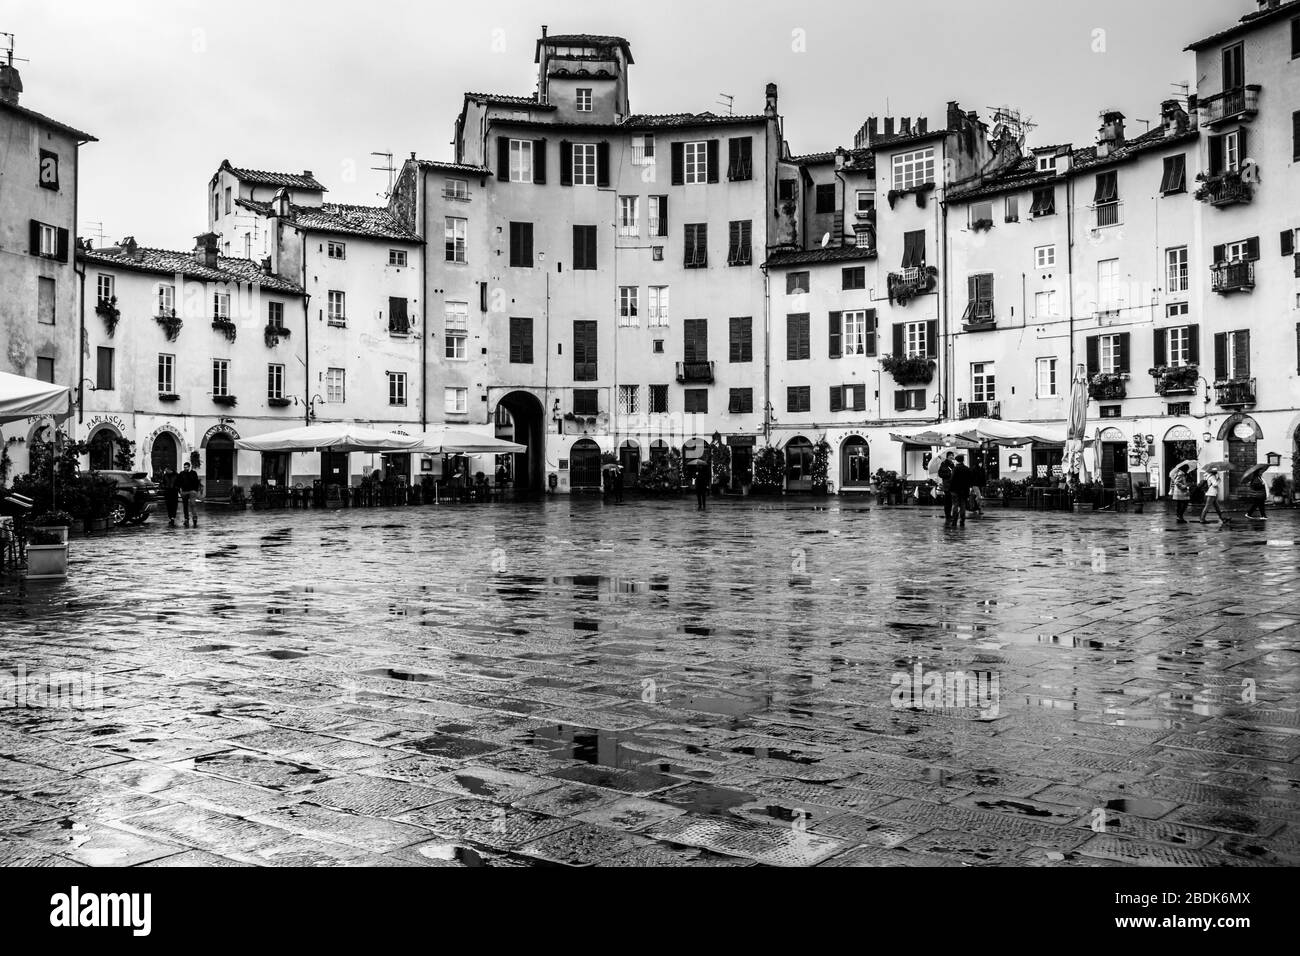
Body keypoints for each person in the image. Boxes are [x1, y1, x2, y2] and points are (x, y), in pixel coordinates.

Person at [175, 462, 202, 526]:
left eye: (186, 467)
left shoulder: (193, 473)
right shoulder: (181, 473)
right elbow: (178, 482)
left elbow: (196, 482)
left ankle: (194, 518)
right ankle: (186, 519)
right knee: (185, 506)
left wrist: (195, 490)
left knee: (193, 504)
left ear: (189, 467)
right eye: (184, 467)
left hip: (192, 491)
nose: (185, 468)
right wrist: (179, 491)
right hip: (184, 492)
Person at [948, 454, 971, 526]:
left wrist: (950, 489)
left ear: (957, 460)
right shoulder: (967, 468)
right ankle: (962, 519)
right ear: (963, 460)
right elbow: (968, 480)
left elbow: (952, 479)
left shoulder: (955, 468)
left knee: (955, 505)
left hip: (955, 490)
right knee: (963, 505)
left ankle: (954, 519)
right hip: (964, 490)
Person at [937, 452, 956, 523]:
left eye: (952, 455)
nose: (951, 456)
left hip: (952, 485)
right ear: (947, 457)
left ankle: (949, 514)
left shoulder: (953, 464)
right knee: (947, 500)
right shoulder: (944, 464)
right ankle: (947, 515)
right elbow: (940, 474)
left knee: (951, 501)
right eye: (950, 455)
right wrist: (949, 474)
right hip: (947, 485)